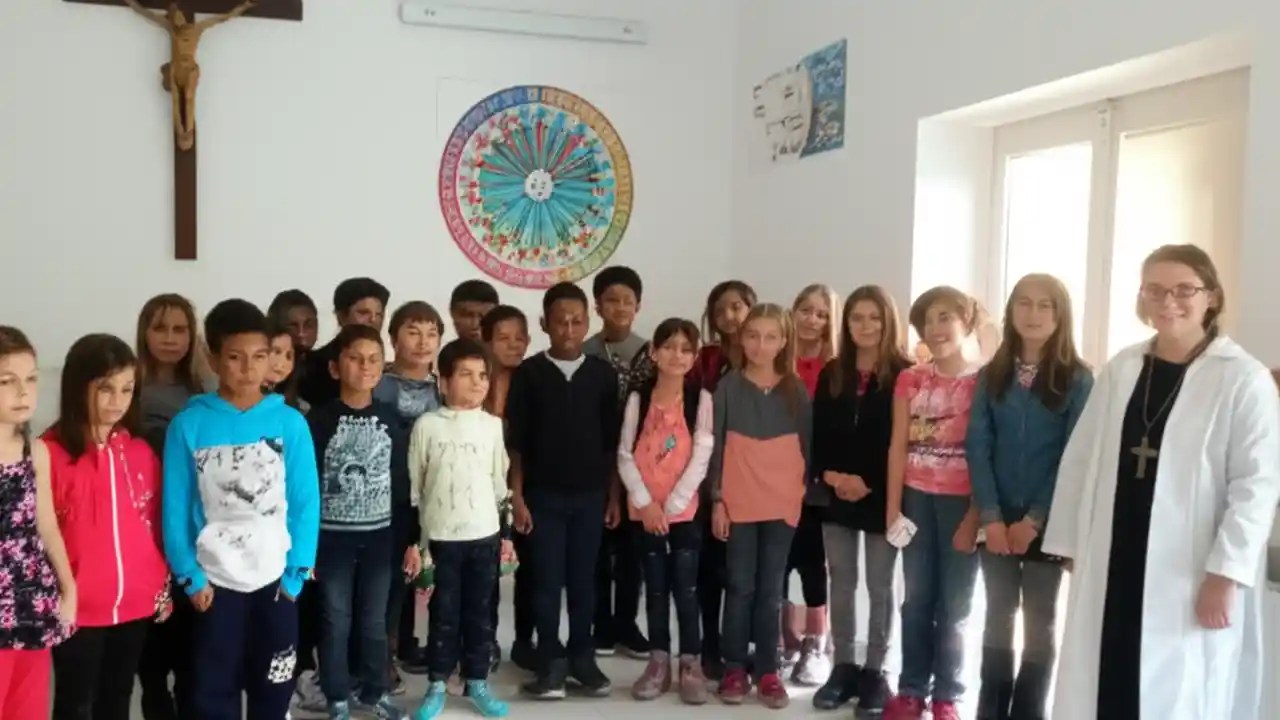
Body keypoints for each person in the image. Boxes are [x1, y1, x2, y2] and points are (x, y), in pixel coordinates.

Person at [1043, 244, 1280, 720]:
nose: (1168, 300)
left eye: (1183, 290)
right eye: (1155, 289)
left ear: (1210, 297)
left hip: (1189, 564)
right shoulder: (1124, 367)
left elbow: (1256, 485)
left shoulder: (1242, 379)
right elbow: (1082, 456)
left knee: (1178, 687)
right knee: (1103, 673)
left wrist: (1226, 573)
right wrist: (1069, 540)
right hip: (1116, 549)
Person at [163, 299, 320, 720]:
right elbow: (175, 510)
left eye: (259, 357)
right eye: (235, 357)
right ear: (213, 359)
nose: (248, 369)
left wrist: (297, 574)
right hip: (214, 585)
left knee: (275, 683)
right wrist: (190, 577)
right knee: (213, 689)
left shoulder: (290, 423)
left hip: (276, 581)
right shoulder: (189, 425)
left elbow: (306, 504)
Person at [965, 274, 1092, 720]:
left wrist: (1035, 519)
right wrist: (993, 517)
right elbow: (977, 448)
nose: (1033, 315)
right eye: (1024, 304)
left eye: (1045, 306)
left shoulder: (1078, 379)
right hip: (996, 519)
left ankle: (1029, 712)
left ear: (1060, 316)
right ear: (1010, 311)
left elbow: (1073, 457)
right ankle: (990, 710)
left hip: (1048, 522)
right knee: (997, 614)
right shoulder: (990, 376)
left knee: (1039, 623)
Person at [45, 334, 171, 720]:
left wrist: (161, 585)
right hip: (77, 608)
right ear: (76, 387)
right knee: (75, 701)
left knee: (118, 696)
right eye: (105, 389)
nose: (117, 401)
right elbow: (39, 538)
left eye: (126, 389)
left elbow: (154, 524)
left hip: (134, 604)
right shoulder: (49, 453)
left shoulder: (139, 451)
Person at [508, 282, 620, 699]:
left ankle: (582, 658)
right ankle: (550, 662)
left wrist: (613, 496)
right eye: (560, 322)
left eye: (577, 322)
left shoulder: (602, 375)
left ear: (588, 324)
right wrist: (518, 497)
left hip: (591, 497)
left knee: (584, 581)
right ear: (545, 324)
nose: (569, 330)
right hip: (544, 497)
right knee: (546, 580)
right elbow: (517, 443)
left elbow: (611, 444)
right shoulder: (530, 374)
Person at [883, 286, 983, 720]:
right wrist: (893, 508)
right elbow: (897, 446)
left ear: (967, 323)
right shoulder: (911, 379)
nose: (937, 328)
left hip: (962, 503)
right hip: (917, 498)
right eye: (929, 320)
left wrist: (977, 514)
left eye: (947, 317)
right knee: (917, 599)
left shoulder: (983, 382)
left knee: (956, 605)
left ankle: (948, 695)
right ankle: (910, 690)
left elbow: (987, 453)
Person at [811, 286, 911, 715]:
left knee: (881, 584)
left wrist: (868, 482)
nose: (865, 326)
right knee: (843, 580)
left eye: (874, 318)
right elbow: (817, 435)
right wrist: (832, 476)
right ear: (845, 324)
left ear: (888, 323)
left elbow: (900, 442)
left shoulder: (906, 374)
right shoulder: (834, 372)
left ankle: (876, 669)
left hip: (881, 495)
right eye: (857, 318)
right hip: (836, 492)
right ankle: (844, 665)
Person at [708, 303, 812, 710]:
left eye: (770, 337)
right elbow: (716, 447)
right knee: (739, 587)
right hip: (738, 502)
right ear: (741, 338)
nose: (760, 344)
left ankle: (769, 670)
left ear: (784, 341)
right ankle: (735, 666)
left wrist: (798, 496)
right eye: (753, 335)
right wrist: (717, 500)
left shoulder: (795, 389)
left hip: (781, 504)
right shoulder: (729, 387)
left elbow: (806, 448)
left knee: (771, 590)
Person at [409, 338, 514, 719]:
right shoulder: (427, 425)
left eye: (482, 376)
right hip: (441, 538)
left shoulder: (492, 426)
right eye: (465, 375)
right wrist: (417, 543)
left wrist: (506, 537)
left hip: (483, 536)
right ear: (444, 380)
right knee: (443, 614)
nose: (476, 383)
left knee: (480, 614)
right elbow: (415, 487)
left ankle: (478, 682)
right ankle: (437, 683)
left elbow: (500, 483)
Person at [306, 324, 407, 720]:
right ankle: (336, 696)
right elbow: (308, 485)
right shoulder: (318, 420)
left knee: (374, 621)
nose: (364, 366)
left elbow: (401, 484)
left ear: (382, 368)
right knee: (335, 620)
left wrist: (407, 540)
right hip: (331, 540)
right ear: (335, 367)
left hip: (380, 539)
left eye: (373, 359)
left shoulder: (389, 419)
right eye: (354, 358)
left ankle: (375, 692)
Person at [617, 318, 714, 704]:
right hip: (645, 513)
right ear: (654, 352)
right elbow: (625, 454)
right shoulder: (638, 399)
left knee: (686, 590)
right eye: (669, 346)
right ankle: (658, 661)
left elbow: (702, 454)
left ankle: (690, 663)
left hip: (684, 513)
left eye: (686, 348)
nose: (677, 355)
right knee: (655, 589)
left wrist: (672, 505)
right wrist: (646, 504)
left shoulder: (699, 400)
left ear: (693, 357)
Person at [134, 293, 204, 720]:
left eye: (180, 329)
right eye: (160, 328)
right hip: (142, 534)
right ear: (144, 332)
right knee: (152, 656)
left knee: (192, 652)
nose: (170, 338)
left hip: (195, 534)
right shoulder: (129, 388)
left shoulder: (205, 391)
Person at [0, 327, 76, 720]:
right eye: (7, 381)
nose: (23, 392)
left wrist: (68, 584)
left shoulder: (36, 451)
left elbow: (44, 523)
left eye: (30, 380)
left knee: (27, 710)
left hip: (30, 600)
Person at [373, 301, 444, 682]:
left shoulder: (443, 388)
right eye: (413, 332)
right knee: (387, 580)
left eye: (431, 333)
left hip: (431, 498)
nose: (422, 342)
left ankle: (416, 646)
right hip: (387, 497)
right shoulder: (378, 384)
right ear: (393, 337)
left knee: (427, 578)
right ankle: (380, 655)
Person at [690, 280, 756, 681]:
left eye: (738, 307)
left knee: (748, 571)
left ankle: (743, 648)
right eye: (721, 310)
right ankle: (710, 647)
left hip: (755, 474)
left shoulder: (767, 355)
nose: (730, 316)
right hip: (711, 472)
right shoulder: (707, 359)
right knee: (711, 568)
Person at [585, 266, 651, 659]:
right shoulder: (587, 350)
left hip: (638, 467)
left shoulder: (651, 352)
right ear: (598, 305)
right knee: (596, 551)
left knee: (632, 552)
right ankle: (601, 625)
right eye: (612, 299)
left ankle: (627, 622)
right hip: (594, 461)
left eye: (628, 300)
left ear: (638, 305)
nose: (620, 307)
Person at [785, 284, 839, 684]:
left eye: (821, 313)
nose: (812, 319)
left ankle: (815, 642)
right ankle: (785, 637)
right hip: (774, 478)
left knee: (812, 563)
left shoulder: (835, 367)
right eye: (806, 310)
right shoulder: (777, 359)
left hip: (819, 482)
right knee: (777, 561)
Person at [481, 305, 536, 671]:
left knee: (530, 570)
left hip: (526, 490)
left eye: (520, 338)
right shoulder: (472, 382)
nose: (513, 345)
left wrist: (517, 495)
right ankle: (484, 641)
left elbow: (520, 447)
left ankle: (524, 640)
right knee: (484, 572)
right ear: (485, 341)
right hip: (479, 495)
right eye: (503, 338)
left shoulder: (534, 380)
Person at [301, 278, 390, 407]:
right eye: (364, 313)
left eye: (379, 314)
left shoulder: (387, 370)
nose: (373, 320)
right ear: (341, 316)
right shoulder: (313, 365)